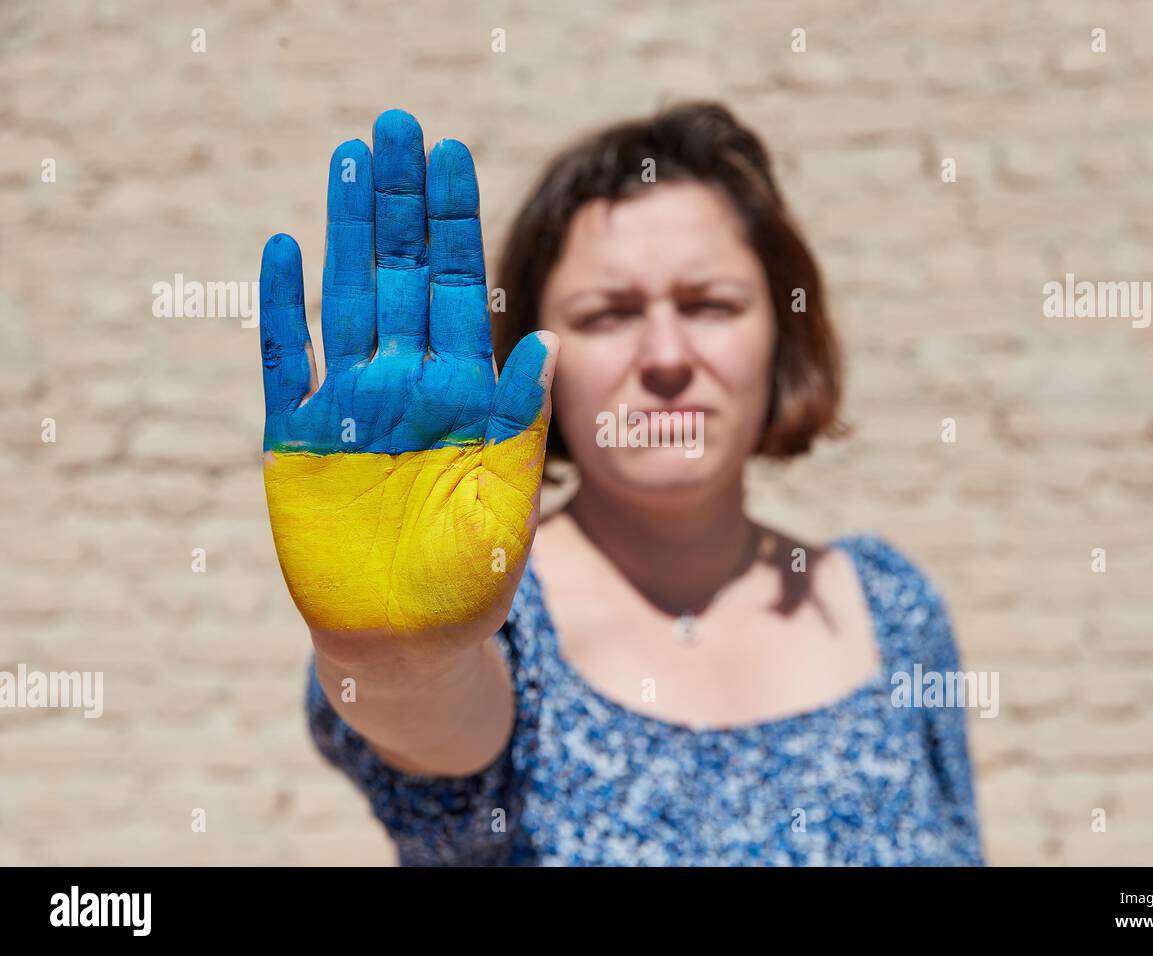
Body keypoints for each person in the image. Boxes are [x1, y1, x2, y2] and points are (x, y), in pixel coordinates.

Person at [258, 101, 985, 865]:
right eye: (608, 315)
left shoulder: (890, 607)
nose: (667, 356)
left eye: (711, 305)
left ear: (781, 333)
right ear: (533, 358)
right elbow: (430, 720)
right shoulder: (503, 609)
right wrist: (399, 659)